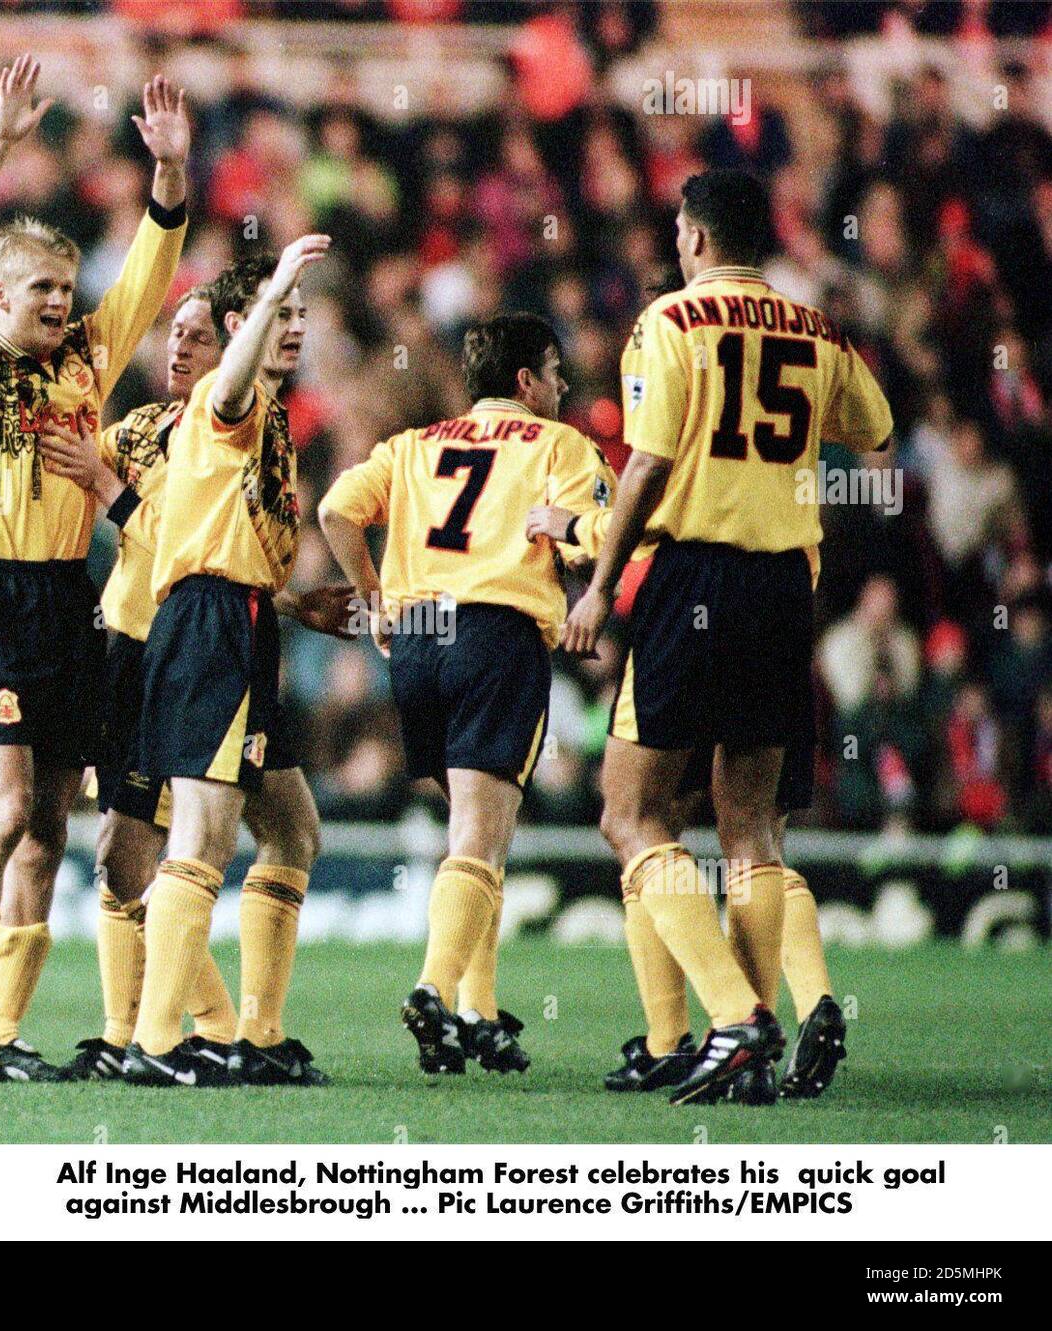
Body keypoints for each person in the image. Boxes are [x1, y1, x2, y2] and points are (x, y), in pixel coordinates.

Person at [533, 168, 891, 1105]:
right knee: (750, 827)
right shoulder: (816, 330)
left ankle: (734, 1017)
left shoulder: (668, 323)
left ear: (694, 239)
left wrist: (600, 588)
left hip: (697, 577)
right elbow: (878, 428)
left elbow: (647, 463)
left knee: (631, 811)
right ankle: (748, 1047)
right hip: (783, 585)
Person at [0, 56, 189, 1082]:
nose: (58, 302)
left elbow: (151, 275)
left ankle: (0, 1027)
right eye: (40, 286)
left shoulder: (83, 357)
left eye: (64, 289)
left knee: (45, 826)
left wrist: (168, 176)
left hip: (66, 601)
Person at [319, 312, 615, 1077]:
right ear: (525, 381)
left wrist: (374, 597)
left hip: (418, 641)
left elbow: (334, 512)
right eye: (555, 372)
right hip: (496, 635)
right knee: (481, 839)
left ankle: (477, 1013)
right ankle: (433, 988)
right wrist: (577, 528)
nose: (563, 385)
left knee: (472, 835)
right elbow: (613, 536)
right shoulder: (560, 445)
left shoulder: (413, 445)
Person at [125, 241, 354, 1087]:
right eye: (279, 311)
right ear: (240, 326)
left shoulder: (269, 416)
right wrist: (281, 276)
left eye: (299, 312)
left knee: (292, 829)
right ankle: (153, 1043)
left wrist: (290, 601)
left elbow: (224, 531)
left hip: (248, 621)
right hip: (210, 625)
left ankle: (256, 1035)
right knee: (203, 835)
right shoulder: (231, 397)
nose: (294, 325)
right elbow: (224, 386)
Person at [36, 284, 240, 1082]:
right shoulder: (146, 428)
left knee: (135, 848)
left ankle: (213, 1026)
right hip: (123, 652)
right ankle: (132, 1035)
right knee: (120, 855)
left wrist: (105, 483)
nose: (177, 347)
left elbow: (184, 545)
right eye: (173, 333)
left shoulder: (224, 436)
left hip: (183, 650)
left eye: (196, 337)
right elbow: (69, 455)